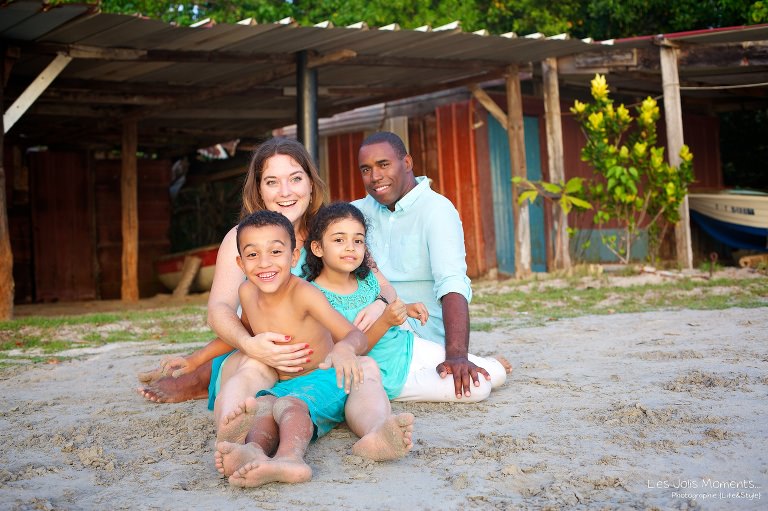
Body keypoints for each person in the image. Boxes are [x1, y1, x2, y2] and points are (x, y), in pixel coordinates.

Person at [141, 138, 413, 461]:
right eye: (272, 181)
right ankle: (232, 437)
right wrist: (249, 343)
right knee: (254, 365)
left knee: (363, 369)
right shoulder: (241, 239)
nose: (285, 192)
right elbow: (219, 310)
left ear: (311, 184)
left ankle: (378, 430)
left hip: (321, 359)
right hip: (265, 354)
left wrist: (379, 303)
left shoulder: (331, 232)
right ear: (258, 189)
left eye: (295, 179)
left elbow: (383, 288)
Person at [171, 210, 388, 487]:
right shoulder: (247, 293)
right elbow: (242, 333)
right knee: (263, 407)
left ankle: (369, 434)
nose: (264, 263)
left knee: (343, 380)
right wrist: (195, 359)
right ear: (240, 263)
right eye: (252, 255)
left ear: (293, 257)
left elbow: (354, 335)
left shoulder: (305, 293)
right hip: (282, 386)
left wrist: (345, 349)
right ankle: (249, 448)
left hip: (322, 377)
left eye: (275, 251)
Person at [304, 201, 508, 402]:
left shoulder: (364, 276)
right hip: (387, 373)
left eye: (358, 241)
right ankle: (469, 369)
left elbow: (388, 293)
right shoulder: (314, 296)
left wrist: (404, 309)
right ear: (318, 247)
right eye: (339, 240)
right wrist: (386, 320)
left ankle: (490, 364)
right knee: (479, 387)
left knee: (497, 375)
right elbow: (347, 352)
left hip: (408, 347)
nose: (351, 248)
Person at [353, 131, 491, 399]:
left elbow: (452, 284)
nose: (375, 177)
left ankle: (483, 365)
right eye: (366, 169)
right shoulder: (355, 212)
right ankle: (490, 366)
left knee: (475, 388)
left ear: (406, 163)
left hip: (418, 332)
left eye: (384, 165)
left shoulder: (437, 210)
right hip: (372, 324)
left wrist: (457, 356)